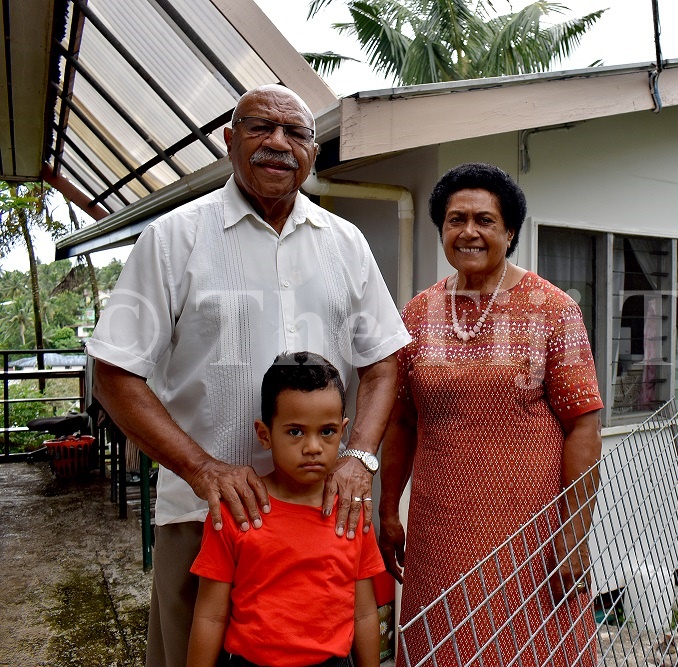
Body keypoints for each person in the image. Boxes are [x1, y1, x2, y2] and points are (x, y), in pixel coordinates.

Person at [88, 84, 410, 667]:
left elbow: (384, 362)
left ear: (315, 152)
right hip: (206, 517)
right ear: (229, 140)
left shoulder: (346, 244)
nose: (279, 144)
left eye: (298, 133)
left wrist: (360, 457)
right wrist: (202, 468)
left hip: (322, 521)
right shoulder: (174, 238)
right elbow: (113, 373)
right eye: (262, 127)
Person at [378, 163, 604, 667]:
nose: (470, 231)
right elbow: (401, 422)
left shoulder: (552, 308)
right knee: (445, 644)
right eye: (456, 219)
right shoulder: (417, 312)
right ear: (442, 231)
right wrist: (388, 507)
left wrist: (573, 534)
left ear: (510, 231)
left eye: (484, 219)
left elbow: (584, 426)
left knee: (526, 647)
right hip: (439, 529)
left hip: (529, 531)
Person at [187, 352, 383, 667]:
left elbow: (363, 613)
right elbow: (210, 615)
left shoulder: (351, 512)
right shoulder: (237, 511)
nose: (313, 447)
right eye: (295, 432)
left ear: (343, 431)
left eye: (327, 432)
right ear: (265, 434)